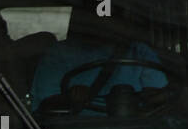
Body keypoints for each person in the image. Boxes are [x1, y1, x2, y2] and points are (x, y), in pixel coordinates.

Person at [30, 8, 167, 116]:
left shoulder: (138, 51)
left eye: (109, 16)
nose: (102, 23)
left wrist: (139, 99)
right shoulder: (59, 53)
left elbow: (160, 96)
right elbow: (45, 107)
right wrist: (70, 98)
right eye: (94, 18)